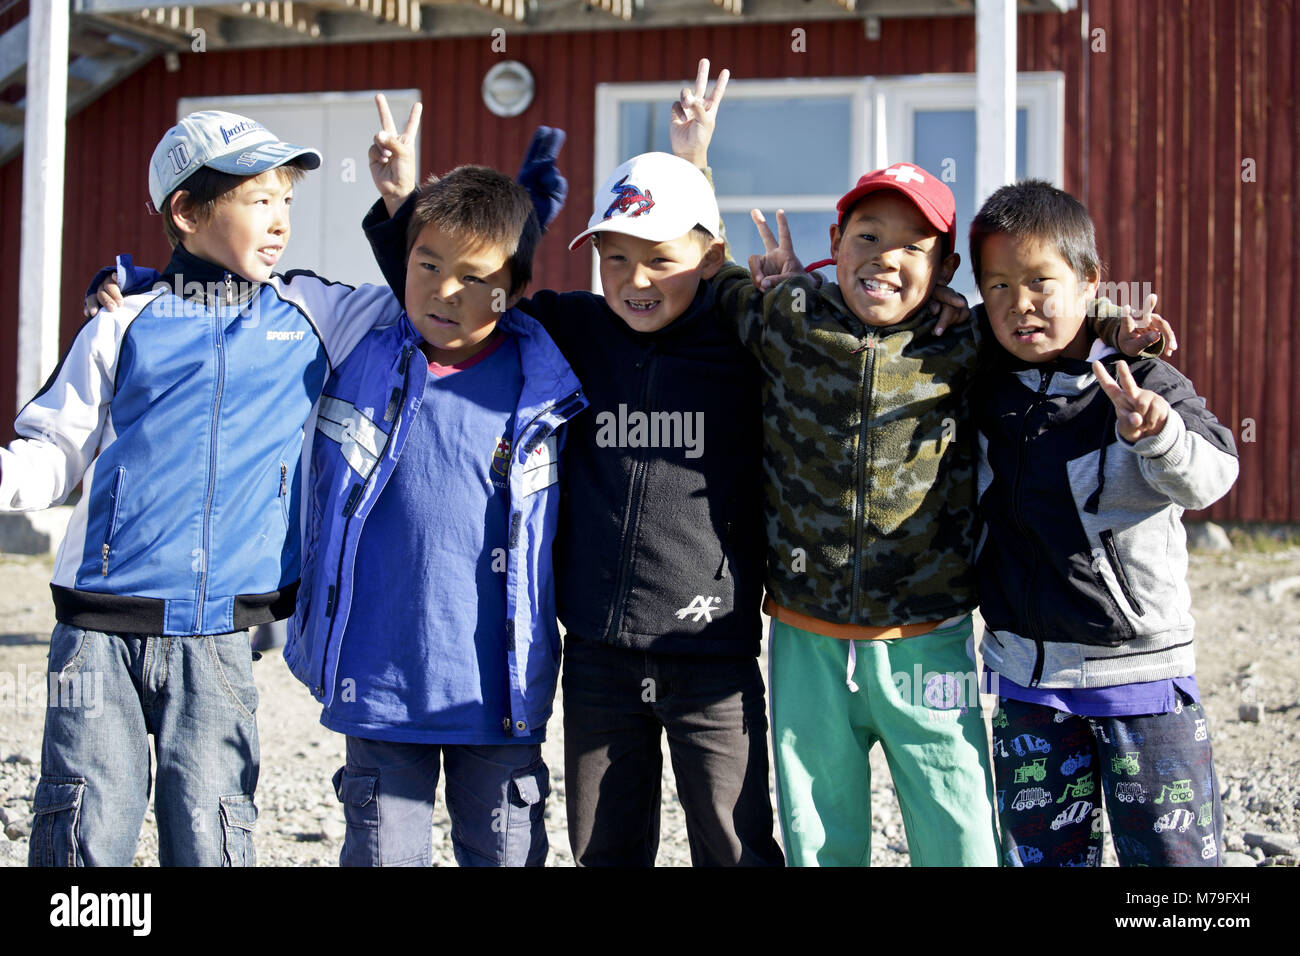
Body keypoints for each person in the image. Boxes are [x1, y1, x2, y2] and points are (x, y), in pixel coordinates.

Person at [682, 62, 1167, 866]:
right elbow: (710, 266)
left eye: (914, 247)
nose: (885, 258)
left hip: (927, 635)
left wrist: (1119, 320)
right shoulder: (786, 315)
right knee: (818, 831)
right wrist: (696, 156)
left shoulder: (966, 339)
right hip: (805, 637)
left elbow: (1044, 312)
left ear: (943, 270)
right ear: (834, 244)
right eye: (867, 236)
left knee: (959, 828)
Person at [361, 61, 785, 866]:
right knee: (602, 845)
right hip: (596, 650)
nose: (635, 279)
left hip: (711, 650)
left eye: (659, 259)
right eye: (614, 259)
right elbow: (453, 298)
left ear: (710, 255)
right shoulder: (572, 332)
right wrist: (399, 206)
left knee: (734, 842)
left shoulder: (740, 340)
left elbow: (832, 346)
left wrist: (694, 164)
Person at [2, 109, 395, 866]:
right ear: (186, 212)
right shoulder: (123, 324)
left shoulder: (311, 312)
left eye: (286, 200)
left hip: (220, 634)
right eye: (256, 200)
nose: (279, 220)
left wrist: (400, 200)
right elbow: (54, 453)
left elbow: (426, 300)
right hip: (96, 630)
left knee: (215, 829)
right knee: (83, 822)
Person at [286, 164, 586, 866]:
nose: (446, 291)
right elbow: (249, 295)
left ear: (511, 292)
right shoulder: (359, 348)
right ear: (403, 262)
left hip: (498, 691)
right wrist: (139, 284)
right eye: (427, 265)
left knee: (504, 854)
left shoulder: (546, 376)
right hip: (380, 680)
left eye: (477, 278)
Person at [968, 179, 1237, 866]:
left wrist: (1158, 433)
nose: (1017, 303)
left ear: (1090, 282)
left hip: (1141, 681)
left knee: (1174, 865)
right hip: (1028, 685)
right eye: (996, 286)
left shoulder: (1138, 376)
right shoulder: (981, 380)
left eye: (1038, 281)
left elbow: (1214, 476)